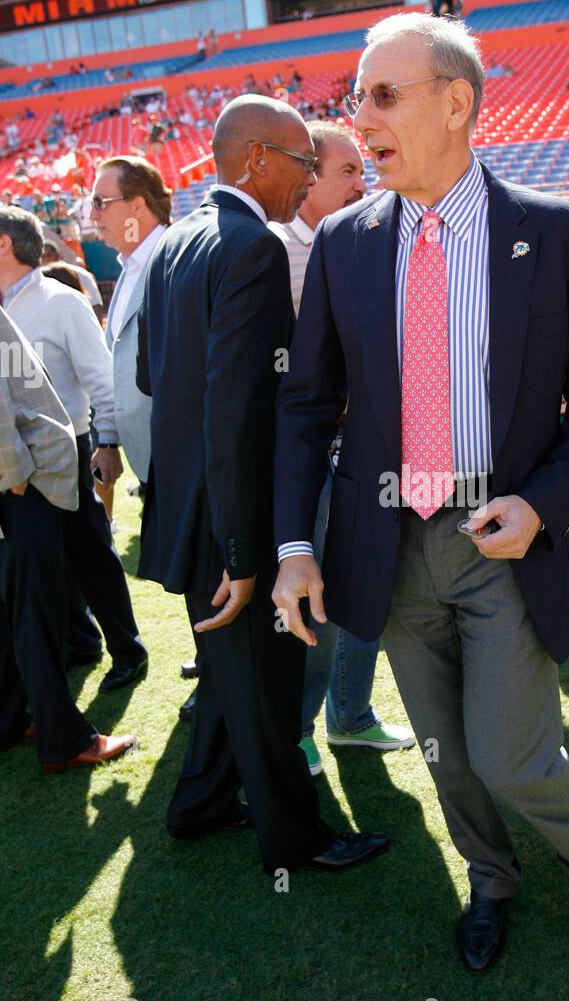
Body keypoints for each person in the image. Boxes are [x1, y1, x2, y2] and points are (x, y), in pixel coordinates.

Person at [272, 12, 569, 972]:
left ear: (458, 103)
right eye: (357, 98)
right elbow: (307, 405)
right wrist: (292, 547)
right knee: (447, 754)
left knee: (512, 754)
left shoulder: (554, 236)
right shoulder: (346, 243)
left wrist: (542, 504)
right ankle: (492, 880)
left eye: (384, 96)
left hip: (502, 541)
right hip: (390, 551)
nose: (361, 119)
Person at [137, 94, 387, 875]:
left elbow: (154, 377)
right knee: (269, 685)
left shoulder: (175, 240)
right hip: (234, 522)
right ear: (257, 160)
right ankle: (299, 838)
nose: (309, 178)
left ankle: (200, 801)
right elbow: (241, 415)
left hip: (191, 508)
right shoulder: (253, 247)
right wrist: (250, 554)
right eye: (303, 163)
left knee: (228, 675)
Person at [271, 121, 414, 773]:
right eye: (348, 172)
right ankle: (298, 726)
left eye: (364, 169)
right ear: (308, 180)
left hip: (370, 454)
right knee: (317, 603)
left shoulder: (367, 245)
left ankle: (351, 717)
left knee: (370, 590)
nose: (364, 183)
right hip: (314, 459)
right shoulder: (274, 255)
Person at [0, 207, 147, 690]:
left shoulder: (60, 302)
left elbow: (99, 379)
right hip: (18, 458)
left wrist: (107, 442)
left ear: (6, 245)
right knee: (45, 562)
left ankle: (128, 650)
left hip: (67, 447)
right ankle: (80, 643)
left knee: (90, 554)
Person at [0, 304, 136, 773]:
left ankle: (8, 719)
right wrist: (15, 477)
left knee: (12, 613)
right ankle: (63, 740)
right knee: (37, 614)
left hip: (16, 483)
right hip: (17, 487)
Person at [92, 156, 171, 487]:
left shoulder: (175, 259)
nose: (92, 215)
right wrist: (109, 439)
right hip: (151, 468)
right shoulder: (129, 267)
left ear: (137, 205)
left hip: (186, 465)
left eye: (100, 202)